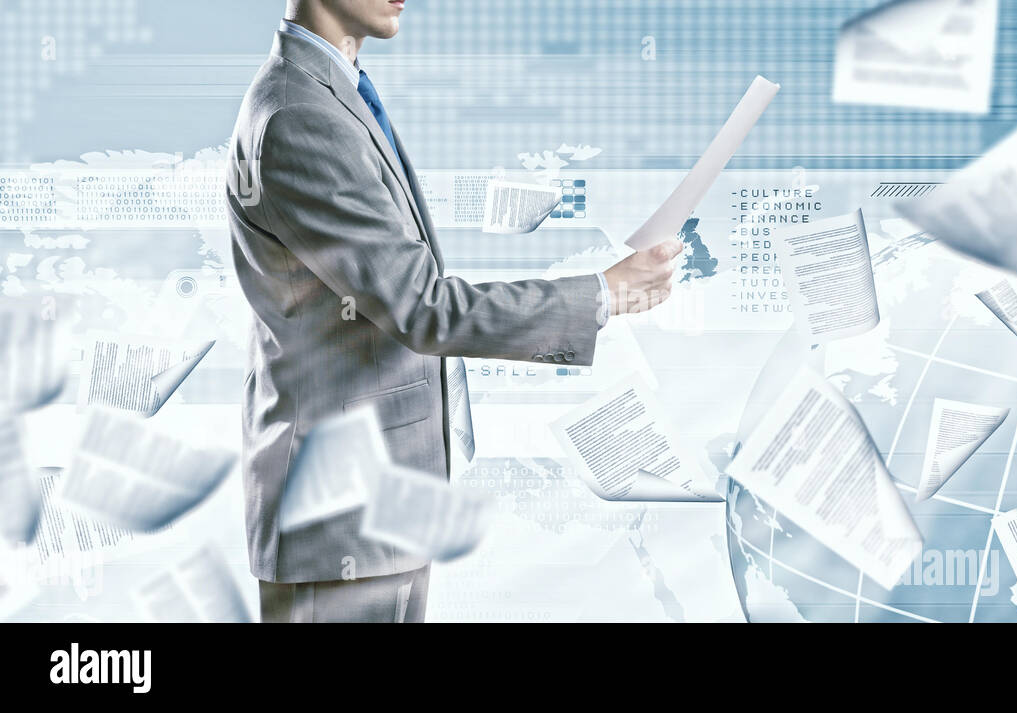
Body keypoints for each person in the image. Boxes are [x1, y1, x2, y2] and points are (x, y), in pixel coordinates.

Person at [225, 0, 680, 622]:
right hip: (339, 519)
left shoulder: (331, 92)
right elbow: (424, 306)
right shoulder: (300, 115)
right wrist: (602, 293)